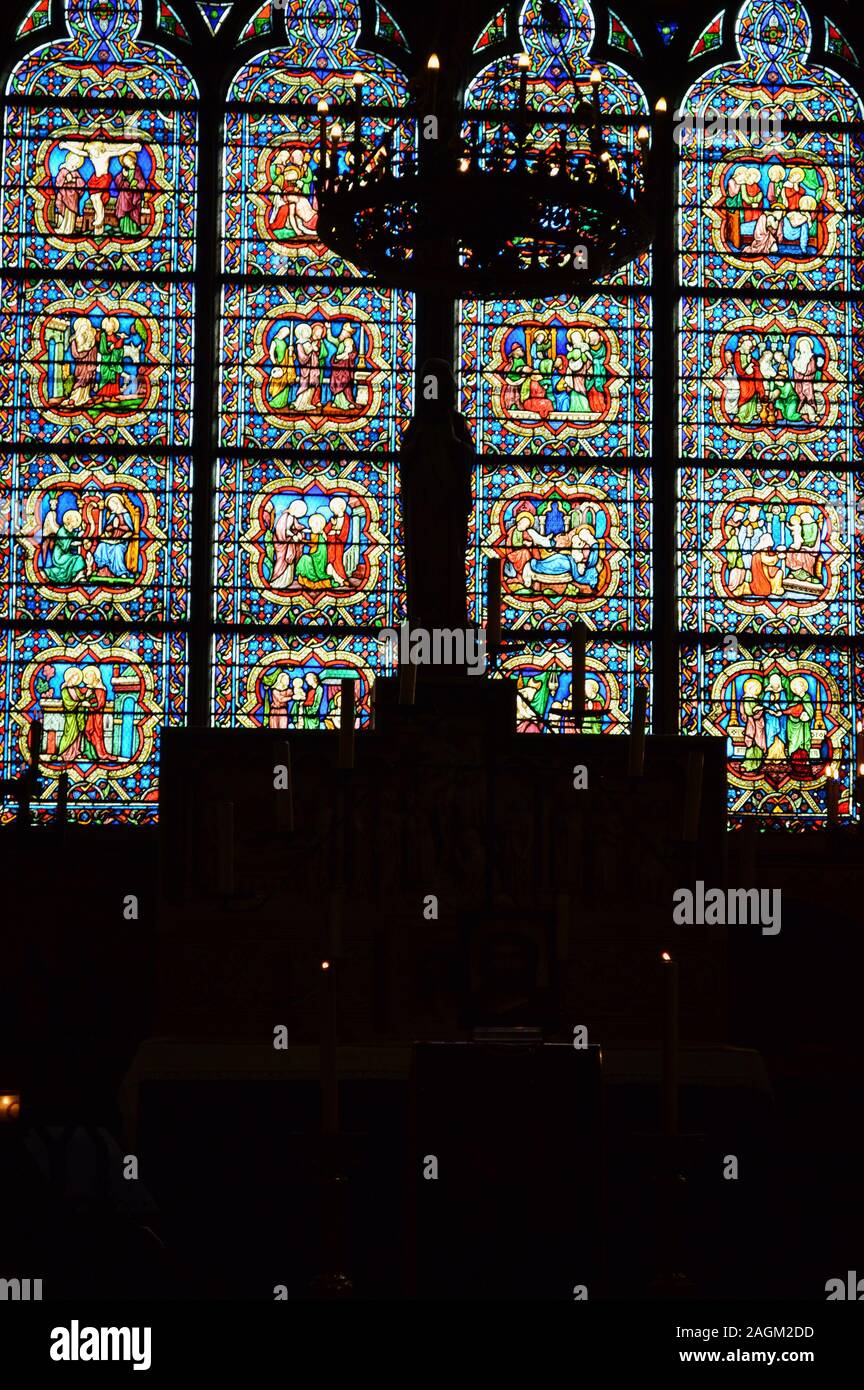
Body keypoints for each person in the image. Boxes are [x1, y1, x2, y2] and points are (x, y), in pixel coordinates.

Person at [399, 358, 474, 634]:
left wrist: (453, 445)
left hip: (448, 513)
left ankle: (451, 617)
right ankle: (424, 617)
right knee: (424, 568)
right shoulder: (418, 425)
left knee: (450, 566)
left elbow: (467, 457)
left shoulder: (455, 423)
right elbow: (406, 462)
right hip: (423, 512)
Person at [267, 499, 306, 590]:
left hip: (289, 543)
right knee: (282, 561)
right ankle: (277, 581)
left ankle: (288, 581)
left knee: (290, 560)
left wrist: (301, 531)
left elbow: (296, 527)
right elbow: (282, 531)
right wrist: (293, 535)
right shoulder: (285, 516)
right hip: (282, 543)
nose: (300, 515)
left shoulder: (293, 517)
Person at [45, 509, 87, 584]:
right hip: (59, 556)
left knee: (75, 560)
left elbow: (77, 535)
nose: (77, 522)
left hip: (65, 554)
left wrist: (84, 530)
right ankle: (77, 576)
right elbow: (71, 543)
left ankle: (76, 577)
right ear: (69, 520)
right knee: (78, 558)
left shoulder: (70, 531)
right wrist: (81, 543)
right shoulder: (62, 531)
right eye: (76, 520)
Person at [53, 151, 86, 235]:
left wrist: (74, 180)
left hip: (73, 197)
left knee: (70, 213)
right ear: (68, 160)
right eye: (73, 160)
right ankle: (61, 227)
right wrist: (65, 179)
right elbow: (58, 182)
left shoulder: (76, 172)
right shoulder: (63, 171)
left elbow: (81, 183)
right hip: (63, 194)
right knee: (61, 209)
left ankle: (69, 229)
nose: (74, 164)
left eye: (76, 162)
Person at [82, 665, 110, 760]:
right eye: (86, 676)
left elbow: (100, 704)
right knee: (87, 732)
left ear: (95, 677)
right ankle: (88, 752)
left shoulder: (100, 689)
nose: (87, 679)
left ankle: (98, 753)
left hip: (96, 716)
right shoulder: (90, 689)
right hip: (89, 715)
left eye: (89, 676)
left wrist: (89, 705)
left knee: (96, 733)